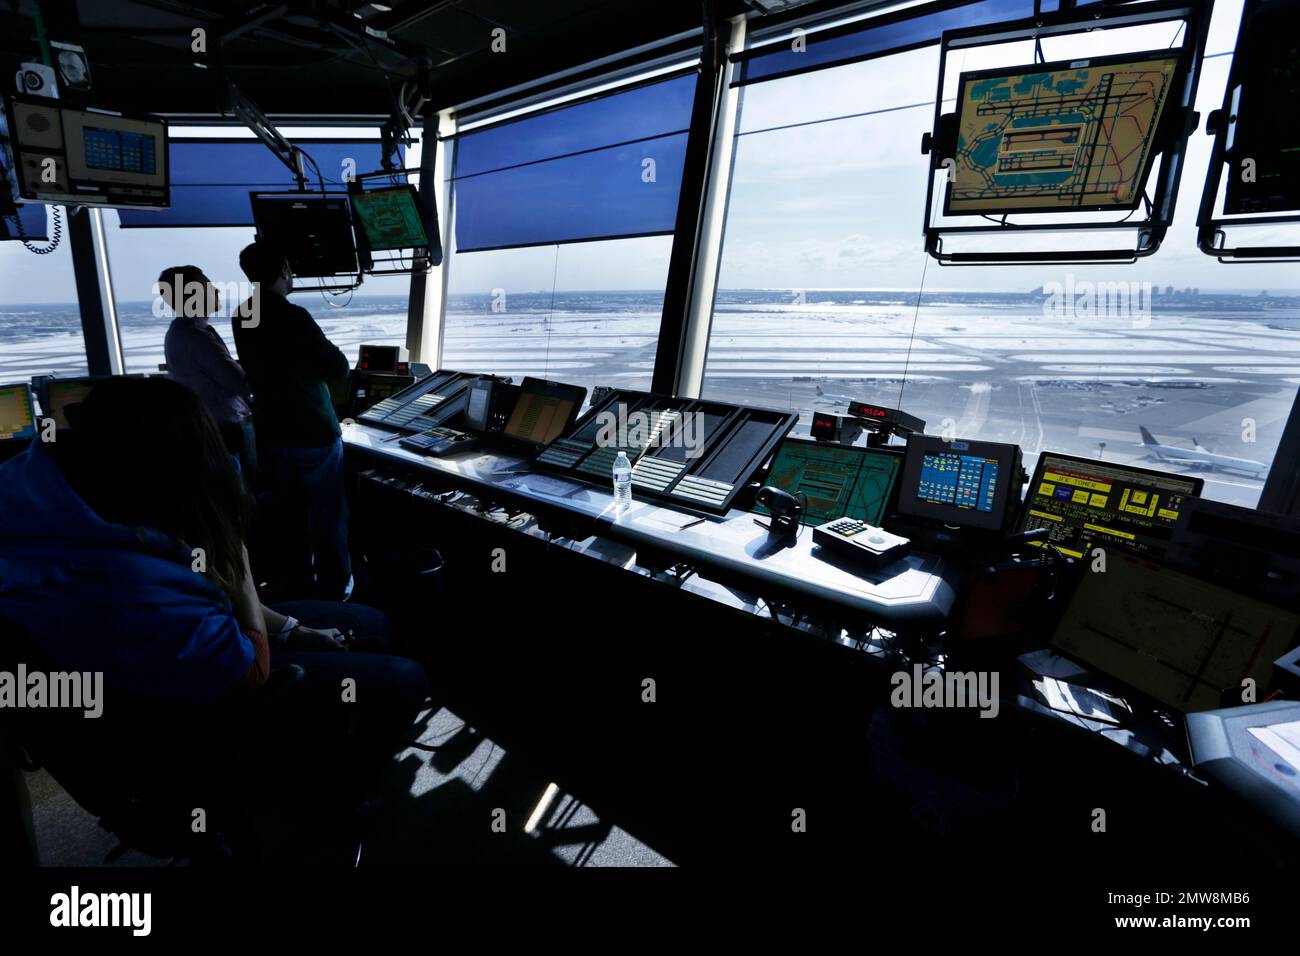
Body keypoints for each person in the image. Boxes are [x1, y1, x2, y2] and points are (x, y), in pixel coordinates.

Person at [0, 377, 429, 825]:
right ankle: (326, 802)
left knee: (368, 622)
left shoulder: (49, 492)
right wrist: (241, 566)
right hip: (183, 733)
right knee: (405, 678)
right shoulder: (119, 582)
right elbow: (250, 670)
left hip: (143, 685)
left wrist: (292, 629)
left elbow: (194, 590)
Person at [234, 239, 353, 600]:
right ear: (284, 270)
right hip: (312, 429)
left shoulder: (243, 315)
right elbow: (336, 366)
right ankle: (335, 591)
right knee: (328, 515)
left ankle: (298, 584)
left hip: (273, 430)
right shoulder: (293, 316)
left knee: (291, 514)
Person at [158, 264, 257, 475]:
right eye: (209, 286)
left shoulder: (181, 332)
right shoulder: (196, 337)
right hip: (223, 433)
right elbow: (240, 383)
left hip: (213, 430)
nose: (217, 290)